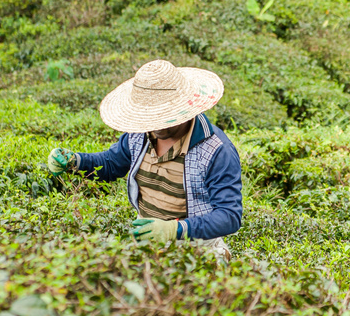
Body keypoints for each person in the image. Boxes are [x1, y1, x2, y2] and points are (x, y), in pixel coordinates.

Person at [46, 59, 242, 262]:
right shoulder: (139, 135)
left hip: (198, 249)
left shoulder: (216, 150)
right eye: (149, 116)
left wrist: (173, 229)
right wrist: (75, 161)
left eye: (164, 116)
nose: (155, 125)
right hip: (147, 242)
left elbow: (229, 216)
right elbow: (112, 164)